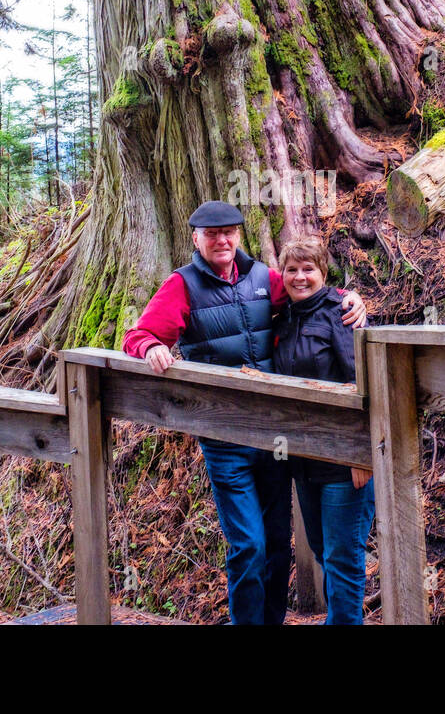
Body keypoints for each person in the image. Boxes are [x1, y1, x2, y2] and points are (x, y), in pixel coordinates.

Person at [121, 200, 366, 624]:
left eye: (229, 232)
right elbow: (138, 334)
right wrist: (152, 346)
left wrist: (352, 298)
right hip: (224, 437)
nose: (222, 240)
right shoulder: (182, 285)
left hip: (273, 439)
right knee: (248, 545)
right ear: (195, 238)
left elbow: (308, 290)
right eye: (212, 234)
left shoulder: (259, 277)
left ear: (239, 236)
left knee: (275, 541)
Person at [272, 233, 376, 624]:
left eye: (308, 269)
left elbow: (363, 386)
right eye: (292, 270)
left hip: (344, 462)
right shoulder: (283, 319)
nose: (300, 277)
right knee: (321, 550)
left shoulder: (341, 313)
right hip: (304, 459)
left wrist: (362, 452)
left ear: (323, 272)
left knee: (342, 557)